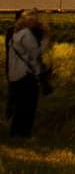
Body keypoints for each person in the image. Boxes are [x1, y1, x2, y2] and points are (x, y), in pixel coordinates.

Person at [7, 10, 50, 139]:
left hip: (15, 75)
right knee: (28, 107)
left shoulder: (16, 34)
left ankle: (15, 133)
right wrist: (45, 41)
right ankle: (24, 134)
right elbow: (35, 53)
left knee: (20, 107)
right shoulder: (26, 34)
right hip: (26, 75)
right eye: (34, 19)